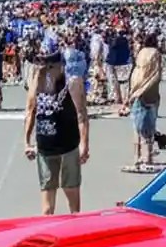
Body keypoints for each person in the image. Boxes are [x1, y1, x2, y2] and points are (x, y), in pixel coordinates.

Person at [23, 41, 90, 215]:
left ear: (59, 65)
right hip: (45, 147)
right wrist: (26, 142)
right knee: (47, 207)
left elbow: (81, 114)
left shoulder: (72, 82)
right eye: (41, 64)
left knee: (72, 199)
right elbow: (30, 111)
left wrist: (84, 144)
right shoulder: (36, 82)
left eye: (48, 65)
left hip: (68, 145)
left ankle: (75, 232)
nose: (44, 68)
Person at [121, 33, 163, 169]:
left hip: (136, 89)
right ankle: (147, 157)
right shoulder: (156, 53)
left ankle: (136, 156)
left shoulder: (141, 54)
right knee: (149, 128)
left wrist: (131, 93)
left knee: (136, 127)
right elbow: (156, 74)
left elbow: (136, 75)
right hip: (150, 93)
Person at [104, 28, 132, 105]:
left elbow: (107, 42)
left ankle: (116, 98)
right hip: (123, 62)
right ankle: (124, 98)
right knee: (123, 83)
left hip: (112, 62)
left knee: (113, 81)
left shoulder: (112, 40)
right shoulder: (125, 40)